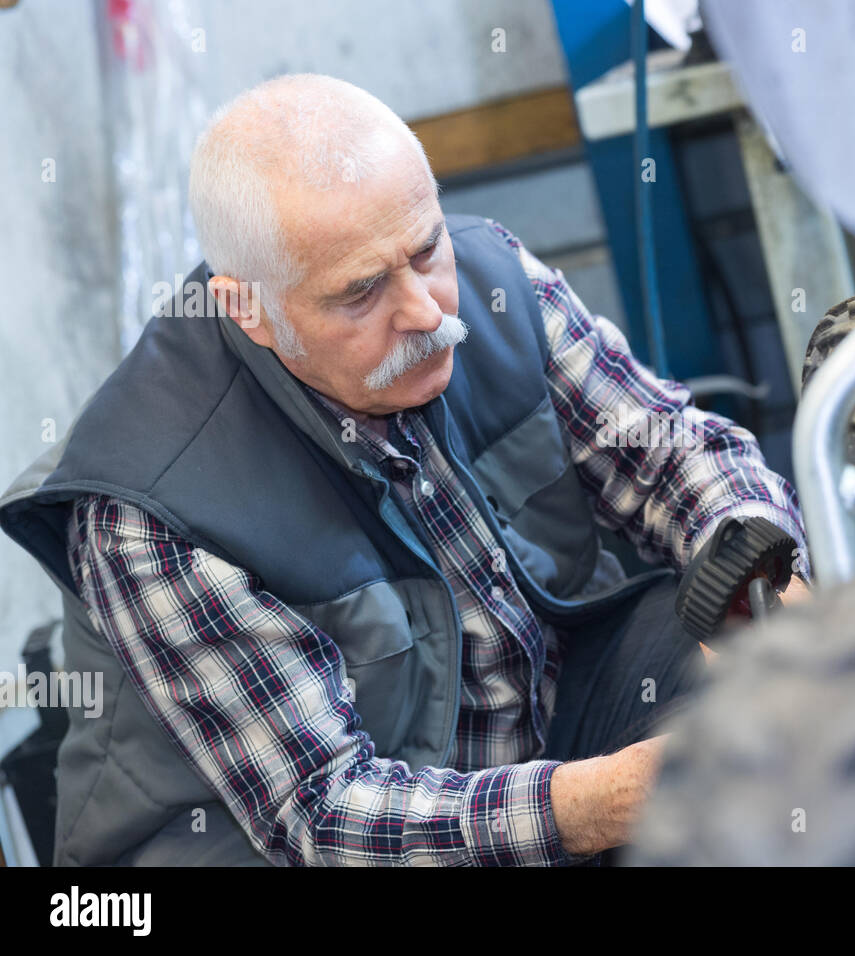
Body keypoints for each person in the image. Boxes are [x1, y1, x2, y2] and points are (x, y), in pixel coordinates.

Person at [0, 74, 808, 866]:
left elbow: (674, 453)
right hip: (286, 840)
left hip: (542, 746)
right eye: (360, 294)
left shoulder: (496, 286)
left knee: (738, 657)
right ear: (251, 309)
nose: (427, 312)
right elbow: (325, 815)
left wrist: (753, 565)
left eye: (426, 248)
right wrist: (600, 805)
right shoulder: (153, 511)